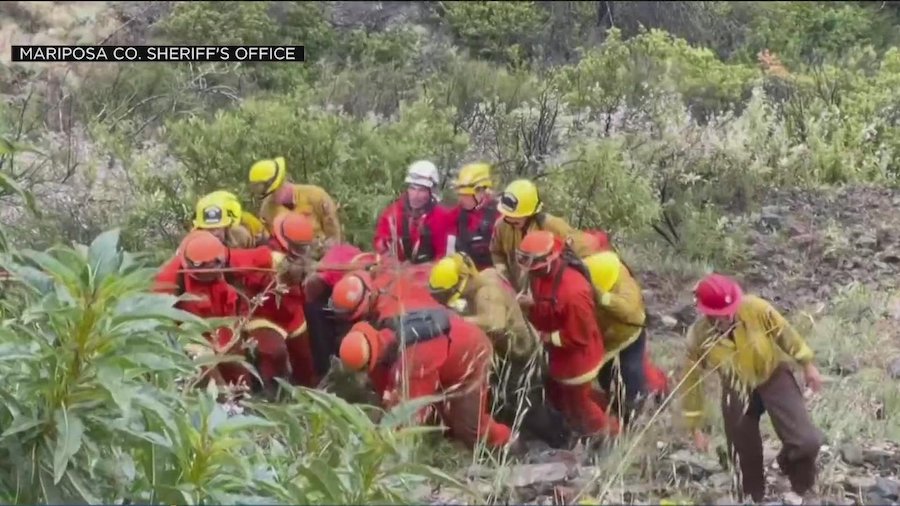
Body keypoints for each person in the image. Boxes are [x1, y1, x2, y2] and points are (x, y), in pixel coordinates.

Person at [331, 269, 514, 450]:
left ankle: (510, 445)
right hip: (445, 347)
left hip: (470, 354)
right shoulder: (383, 315)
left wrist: (383, 439)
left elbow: (410, 414)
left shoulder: (414, 358)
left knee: (471, 431)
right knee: (443, 418)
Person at [680, 273, 824, 503]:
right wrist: (694, 427)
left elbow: (786, 334)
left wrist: (807, 365)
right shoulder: (698, 336)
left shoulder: (757, 308)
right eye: (719, 314)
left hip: (773, 376)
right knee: (743, 455)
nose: (727, 317)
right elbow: (691, 382)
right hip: (736, 388)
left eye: (730, 310)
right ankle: (752, 497)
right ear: (705, 311)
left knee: (807, 441)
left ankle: (800, 488)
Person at [427, 253, 573, 447]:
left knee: (527, 405)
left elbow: (495, 324)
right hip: (513, 352)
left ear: (465, 279)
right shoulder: (486, 276)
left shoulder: (486, 294)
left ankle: (563, 439)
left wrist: (456, 321)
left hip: (522, 355)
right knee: (509, 400)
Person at [154, 230, 291, 395]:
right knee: (213, 380)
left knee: (240, 374)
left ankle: (250, 400)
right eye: (204, 268)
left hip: (227, 328)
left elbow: (261, 258)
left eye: (215, 266)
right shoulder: (169, 279)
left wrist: (288, 264)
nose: (211, 271)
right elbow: (156, 314)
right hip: (194, 336)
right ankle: (224, 404)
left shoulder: (225, 258)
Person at [514, 230, 619, 437]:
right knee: (569, 396)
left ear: (550, 260)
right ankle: (609, 410)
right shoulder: (543, 276)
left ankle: (611, 434)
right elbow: (552, 307)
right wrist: (533, 307)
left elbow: (579, 336)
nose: (530, 271)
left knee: (579, 401)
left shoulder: (574, 292)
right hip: (562, 356)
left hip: (578, 360)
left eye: (534, 265)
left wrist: (545, 337)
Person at [490, 179, 597, 291]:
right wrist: (501, 269)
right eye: (506, 216)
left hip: (549, 291)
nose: (508, 219)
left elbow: (581, 252)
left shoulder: (552, 226)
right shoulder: (502, 225)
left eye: (514, 217)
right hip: (517, 291)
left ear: (530, 214)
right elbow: (496, 251)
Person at [248, 156, 343, 249]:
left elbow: (334, 236)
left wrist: (324, 251)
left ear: (282, 181)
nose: (272, 197)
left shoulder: (316, 195)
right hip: (289, 260)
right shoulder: (267, 210)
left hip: (322, 254)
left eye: (275, 192)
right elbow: (270, 240)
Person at [373, 160, 452, 264]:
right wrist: (388, 257)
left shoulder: (442, 217)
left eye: (421, 190)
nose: (415, 195)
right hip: (398, 273)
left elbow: (445, 256)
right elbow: (380, 244)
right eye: (412, 189)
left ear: (431, 192)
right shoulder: (392, 214)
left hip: (431, 274)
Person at [447, 162, 500, 271]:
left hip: (492, 276)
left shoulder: (499, 215)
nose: (463, 199)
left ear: (482, 191)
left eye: (467, 195)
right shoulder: (454, 215)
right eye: (461, 195)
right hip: (462, 273)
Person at [192, 190, 257, 248]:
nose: (215, 234)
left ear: (226, 227)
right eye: (210, 230)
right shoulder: (192, 245)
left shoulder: (241, 237)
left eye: (218, 228)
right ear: (200, 230)